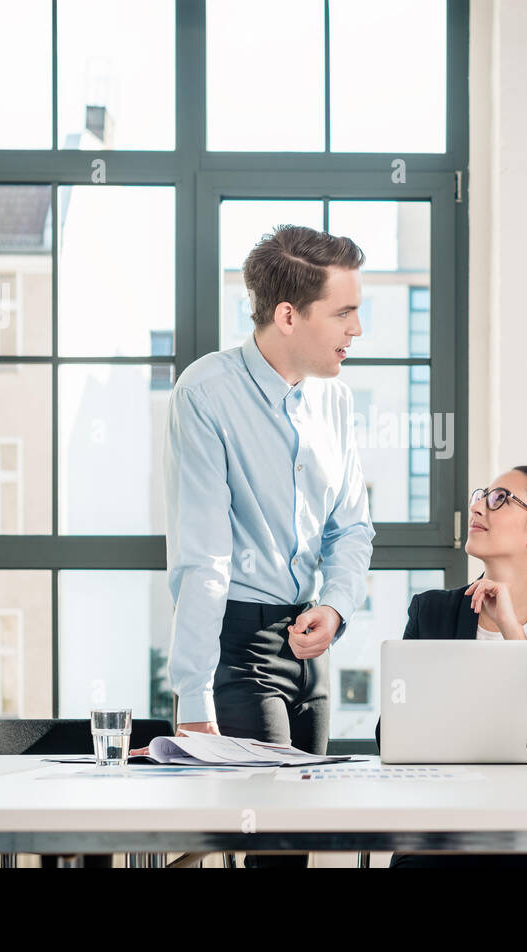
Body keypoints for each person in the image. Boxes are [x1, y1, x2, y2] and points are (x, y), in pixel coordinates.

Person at [163, 225, 376, 867]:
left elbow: (351, 527)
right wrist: (193, 702)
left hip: (309, 640)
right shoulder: (206, 393)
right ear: (288, 315)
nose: (357, 330)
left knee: (300, 838)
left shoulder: (334, 401)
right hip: (239, 643)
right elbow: (203, 557)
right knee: (274, 846)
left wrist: (336, 607)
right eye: (344, 313)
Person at [378, 466, 527, 868]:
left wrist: (511, 629)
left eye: (499, 499)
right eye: (482, 495)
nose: (479, 506)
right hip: (449, 822)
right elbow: (392, 733)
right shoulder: (432, 611)